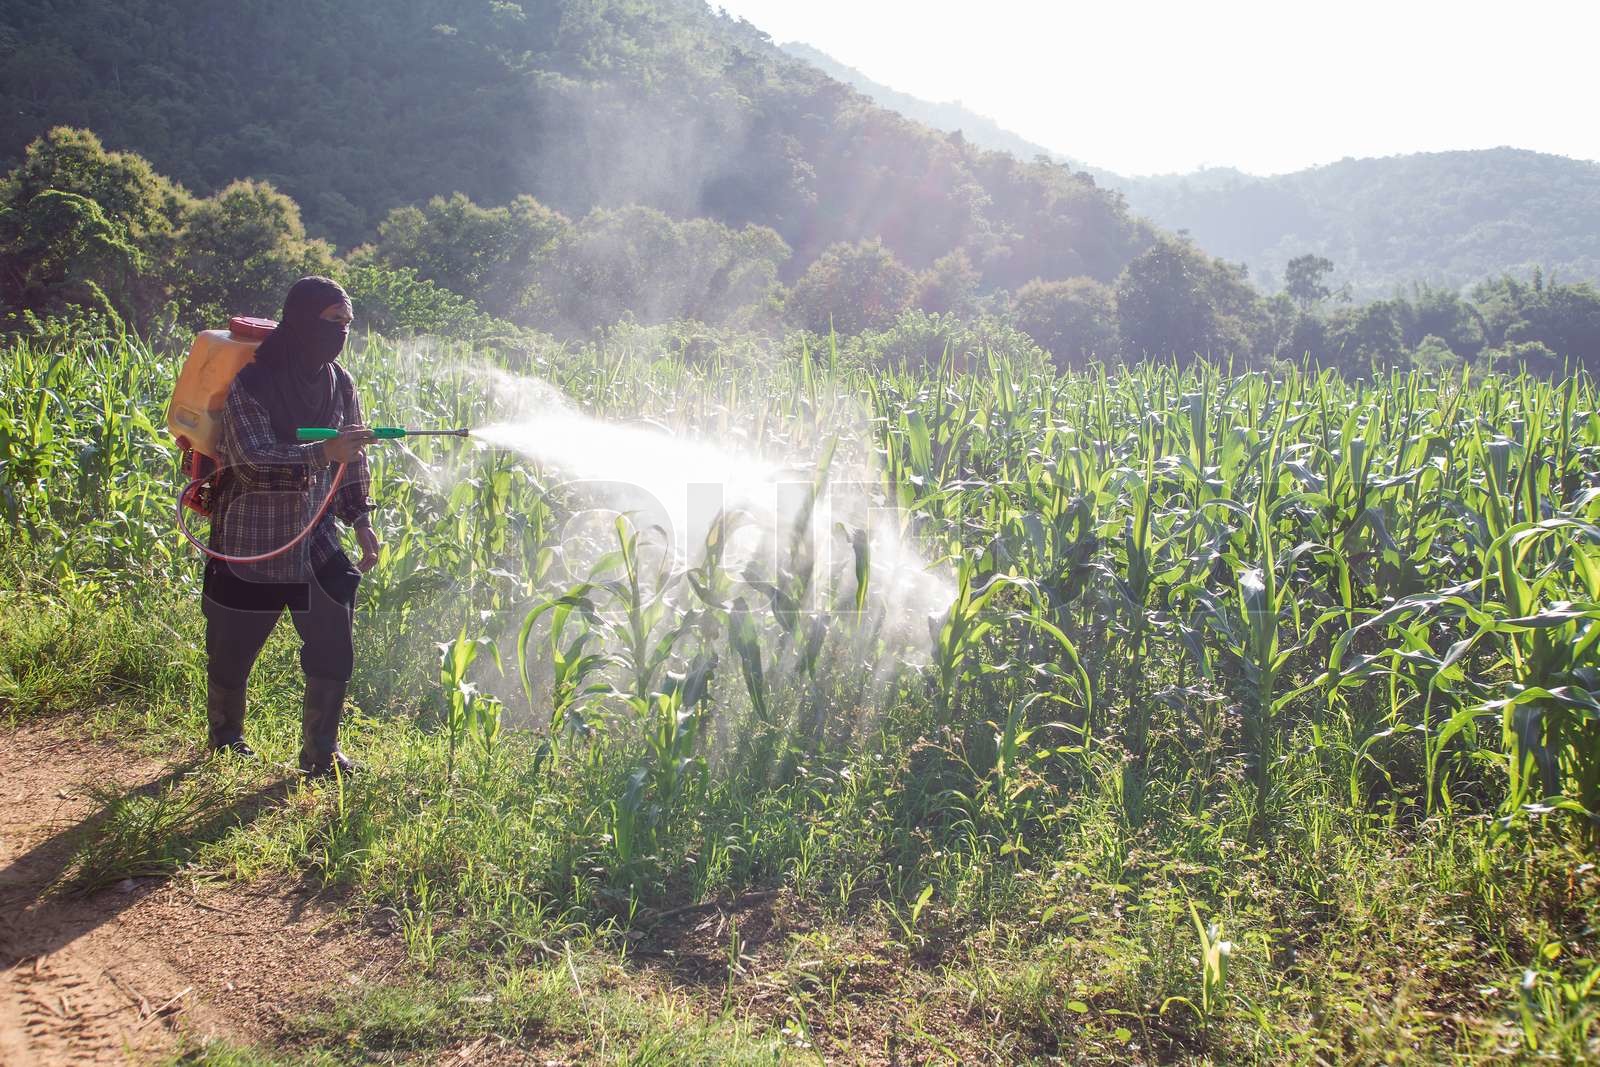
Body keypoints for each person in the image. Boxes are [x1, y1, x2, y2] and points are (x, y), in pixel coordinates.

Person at [202, 276, 379, 777]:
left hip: (316, 532)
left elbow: (352, 457)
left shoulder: (340, 382)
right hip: (254, 537)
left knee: (333, 637)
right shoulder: (253, 383)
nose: (341, 332)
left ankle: (321, 753)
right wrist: (323, 451)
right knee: (234, 646)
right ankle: (226, 739)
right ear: (301, 320)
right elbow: (251, 461)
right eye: (332, 322)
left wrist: (361, 518)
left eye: (347, 324)